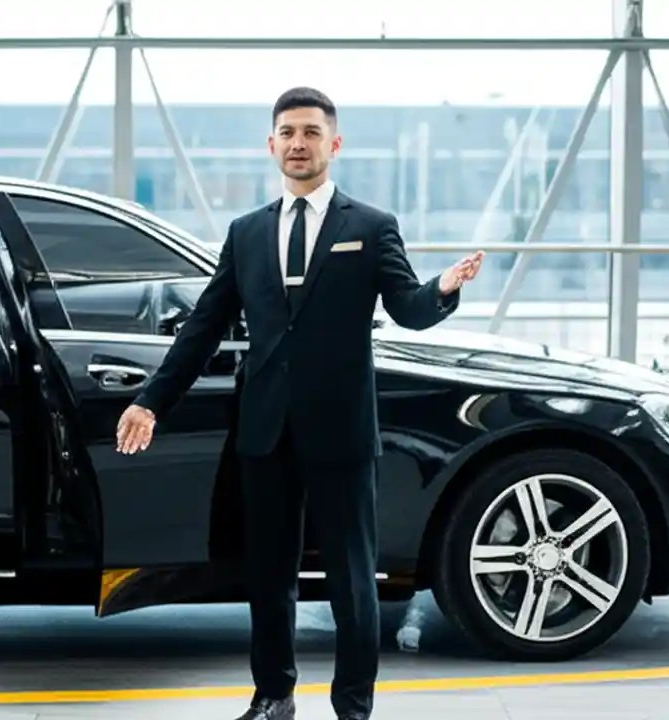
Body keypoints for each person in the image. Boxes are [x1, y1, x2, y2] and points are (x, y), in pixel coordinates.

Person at [114, 86, 484, 720]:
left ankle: (354, 706)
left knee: (352, 580)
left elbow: (407, 310)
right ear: (271, 144)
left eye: (311, 132)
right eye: (287, 132)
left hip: (341, 433)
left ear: (333, 144)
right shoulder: (247, 232)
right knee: (269, 577)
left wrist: (443, 288)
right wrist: (152, 401)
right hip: (265, 433)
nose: (298, 143)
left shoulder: (369, 227)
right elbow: (203, 326)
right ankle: (273, 696)